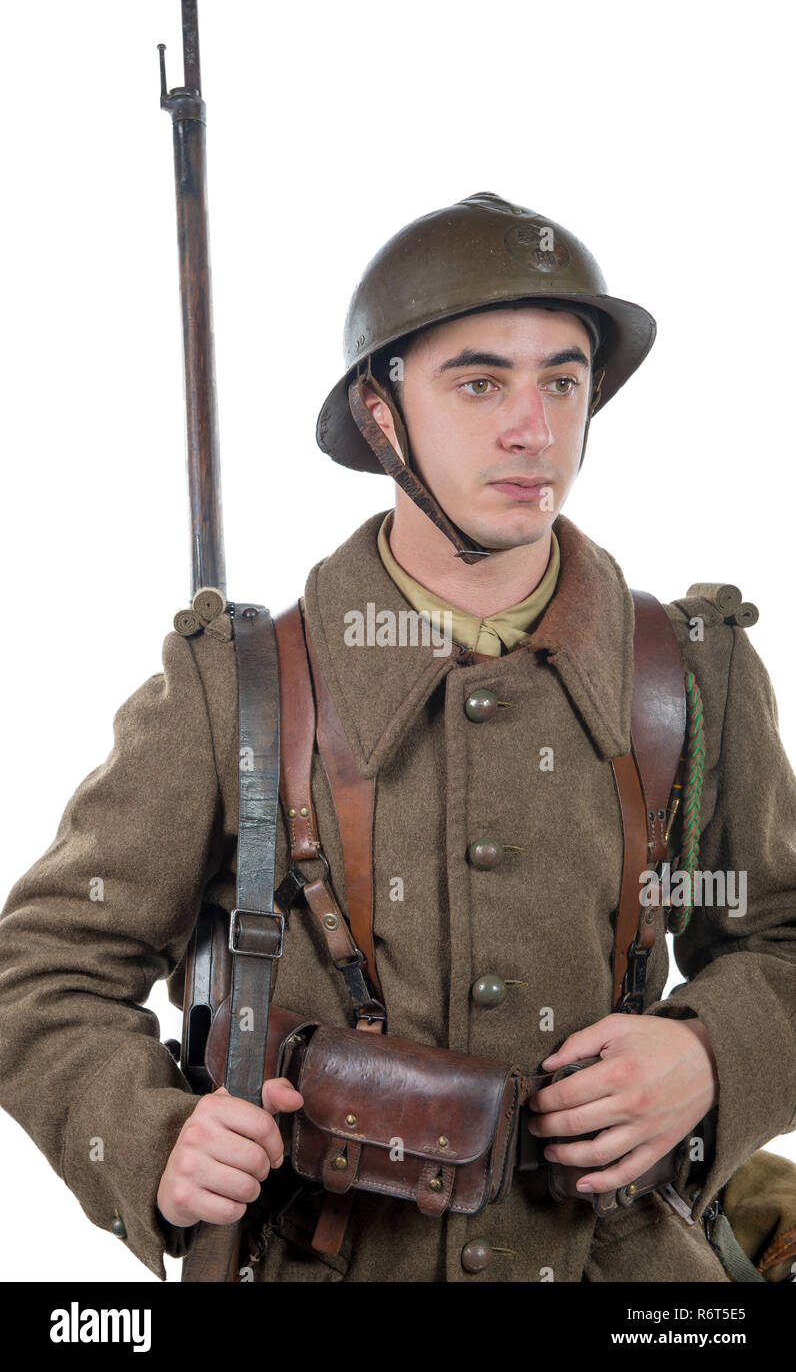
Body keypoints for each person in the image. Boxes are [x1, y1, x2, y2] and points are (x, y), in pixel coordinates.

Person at [1, 193, 794, 1283]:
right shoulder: (239, 687)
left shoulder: (688, 672)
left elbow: (780, 938)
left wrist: (709, 1053)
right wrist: (151, 1141)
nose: (534, 427)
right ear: (382, 414)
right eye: (478, 383)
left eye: (562, 380)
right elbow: (44, 968)